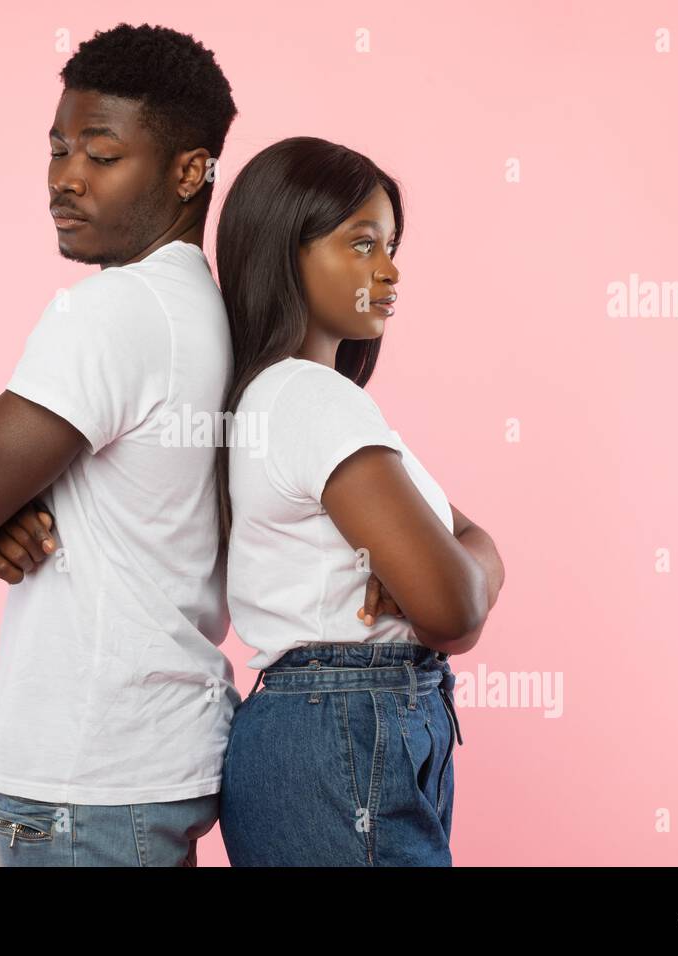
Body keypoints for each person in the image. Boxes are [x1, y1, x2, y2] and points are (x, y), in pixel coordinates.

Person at [0, 23, 239, 866]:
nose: (66, 177)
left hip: (85, 773)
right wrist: (8, 512)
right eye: (58, 149)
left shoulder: (110, 313)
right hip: (163, 756)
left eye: (102, 154)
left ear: (190, 173)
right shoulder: (208, 312)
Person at [214, 137, 506, 866]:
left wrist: (450, 561)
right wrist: (444, 571)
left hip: (331, 729)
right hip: (345, 725)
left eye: (393, 246)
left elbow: (472, 544)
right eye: (363, 243)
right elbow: (455, 610)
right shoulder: (312, 400)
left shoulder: (291, 398)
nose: (391, 270)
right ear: (286, 250)